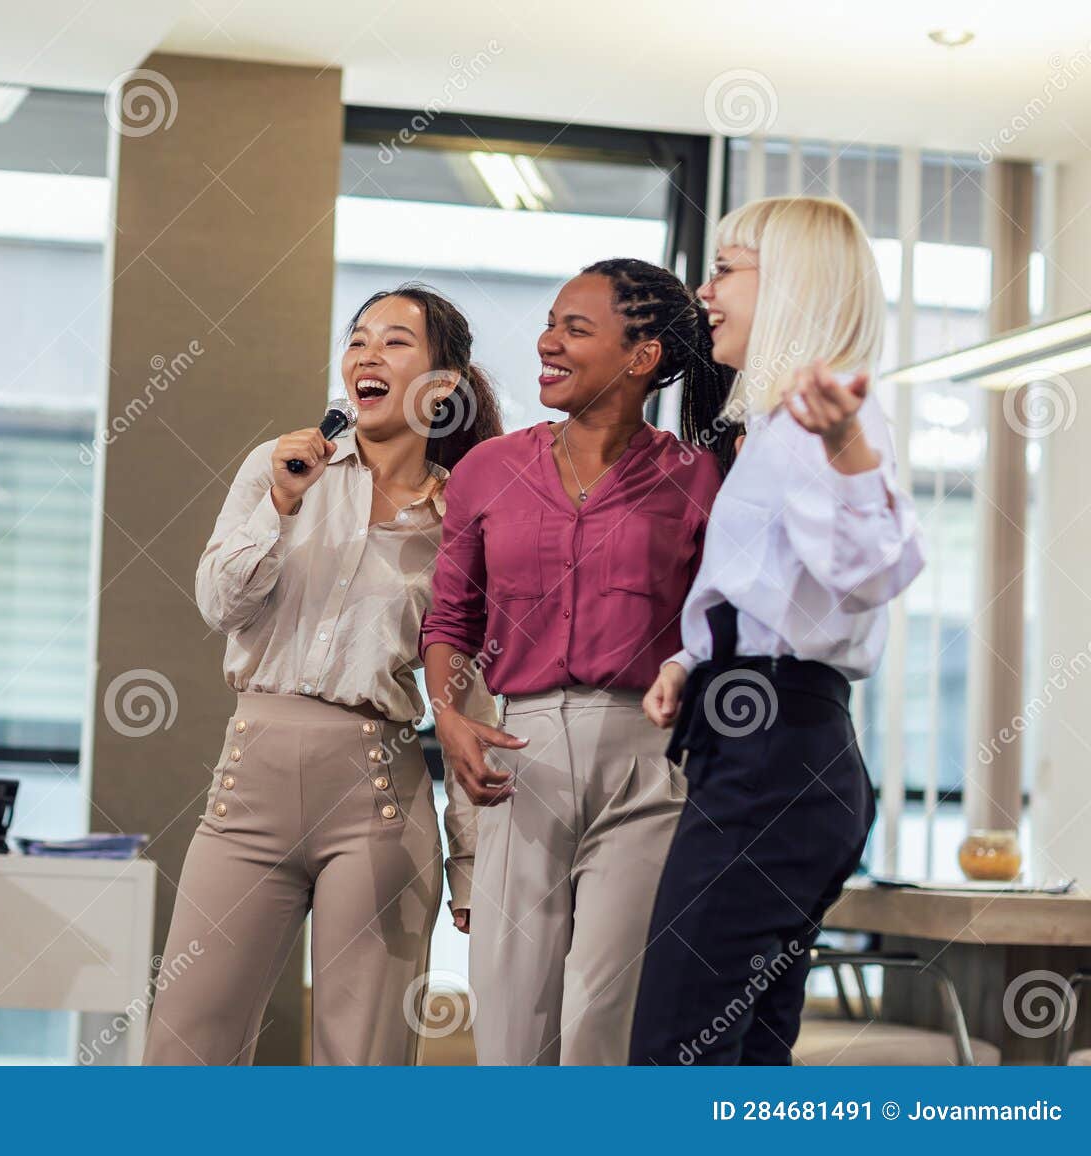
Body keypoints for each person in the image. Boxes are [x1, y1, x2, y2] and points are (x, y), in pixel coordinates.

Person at [144, 285, 500, 1065]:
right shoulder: (282, 468)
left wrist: (470, 860)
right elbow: (218, 603)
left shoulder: (460, 519)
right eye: (358, 339)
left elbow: (471, 697)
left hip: (376, 794)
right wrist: (280, 500)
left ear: (443, 385)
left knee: (362, 1058)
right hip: (249, 785)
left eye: (396, 342)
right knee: (182, 1043)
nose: (367, 355)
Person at [630, 195, 924, 1065]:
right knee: (744, 1052)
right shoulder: (771, 431)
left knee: (677, 1050)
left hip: (776, 760)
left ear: (789, 282)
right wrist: (691, 662)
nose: (702, 288)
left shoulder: (829, 421)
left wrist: (848, 452)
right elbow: (772, 595)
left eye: (725, 269)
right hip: (760, 743)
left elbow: (877, 572)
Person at [421, 258, 732, 1065]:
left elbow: (719, 631)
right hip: (515, 755)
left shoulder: (698, 478)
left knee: (606, 1015)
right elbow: (450, 615)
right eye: (551, 323)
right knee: (511, 1023)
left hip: (649, 760)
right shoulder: (488, 470)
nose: (547, 341)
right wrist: (450, 716)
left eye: (574, 329)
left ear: (642, 357)